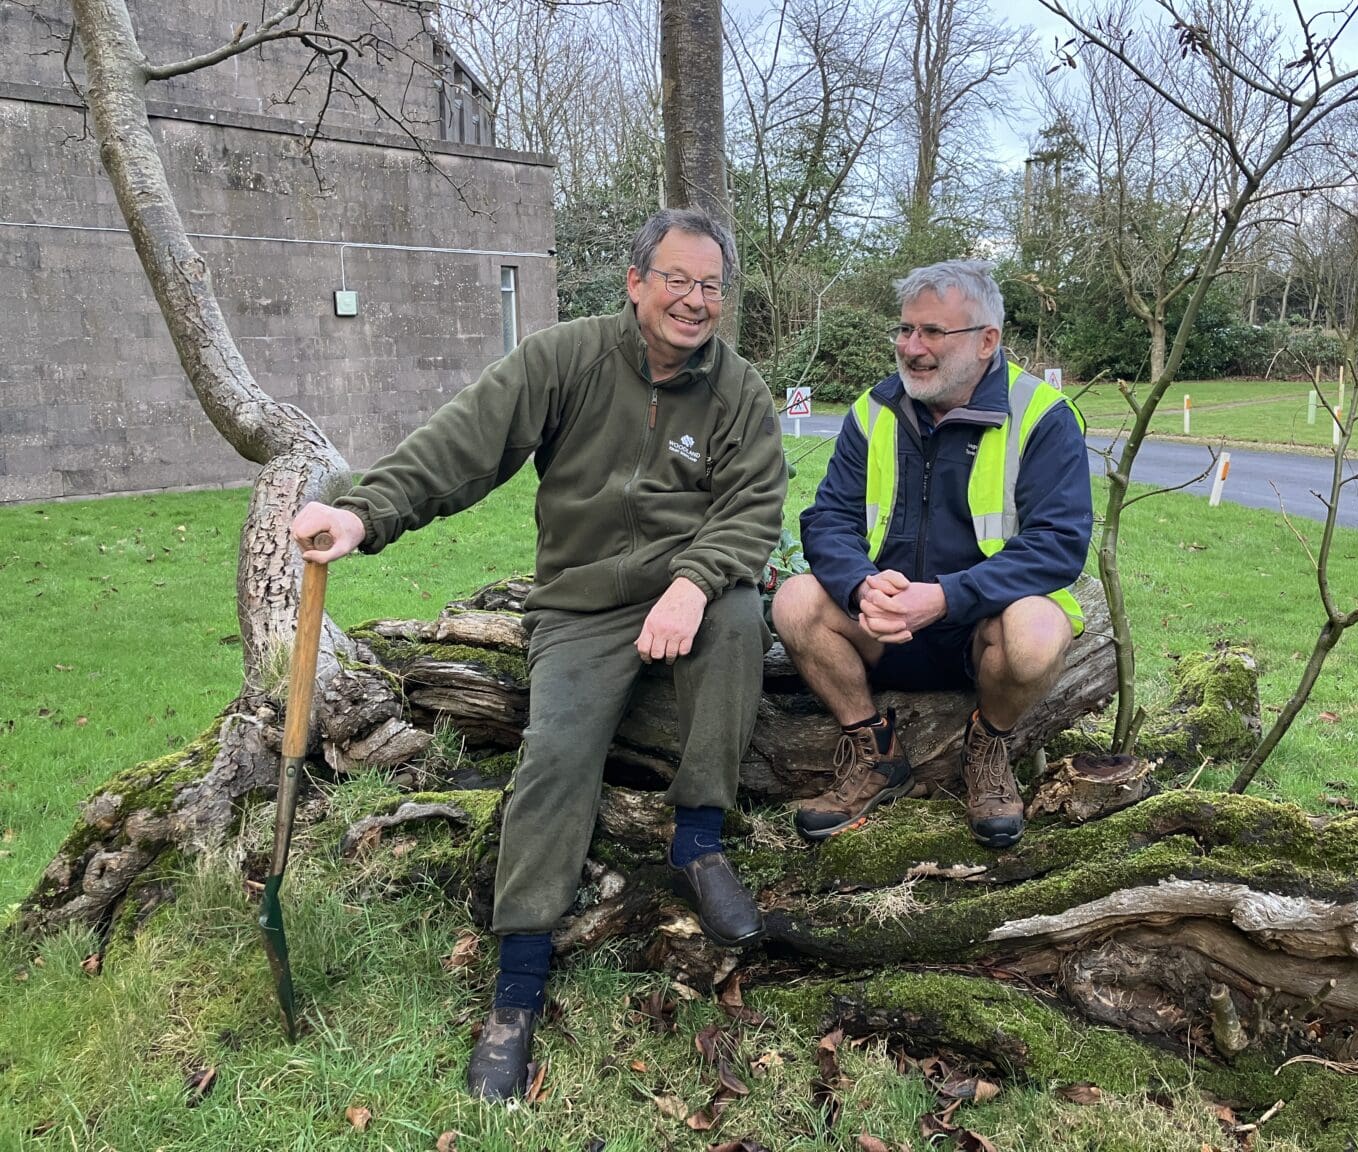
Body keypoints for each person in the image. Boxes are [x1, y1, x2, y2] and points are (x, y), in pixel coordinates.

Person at [290, 208, 787, 1102]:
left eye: (712, 285)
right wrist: (364, 514)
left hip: (693, 590)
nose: (695, 300)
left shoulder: (738, 391)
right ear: (636, 282)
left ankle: (699, 839)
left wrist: (695, 580)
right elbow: (464, 443)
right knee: (557, 753)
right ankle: (517, 988)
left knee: (743, 615)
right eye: (676, 279)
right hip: (580, 604)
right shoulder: (567, 358)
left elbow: (752, 509)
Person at [771, 260, 1091, 849]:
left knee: (1039, 630)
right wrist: (861, 586)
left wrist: (945, 597)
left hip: (978, 628)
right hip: (882, 625)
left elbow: (1059, 543)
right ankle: (874, 753)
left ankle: (988, 744)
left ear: (986, 340)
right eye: (904, 330)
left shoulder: (1041, 416)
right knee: (794, 601)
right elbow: (826, 519)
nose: (910, 347)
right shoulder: (875, 411)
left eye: (931, 333)